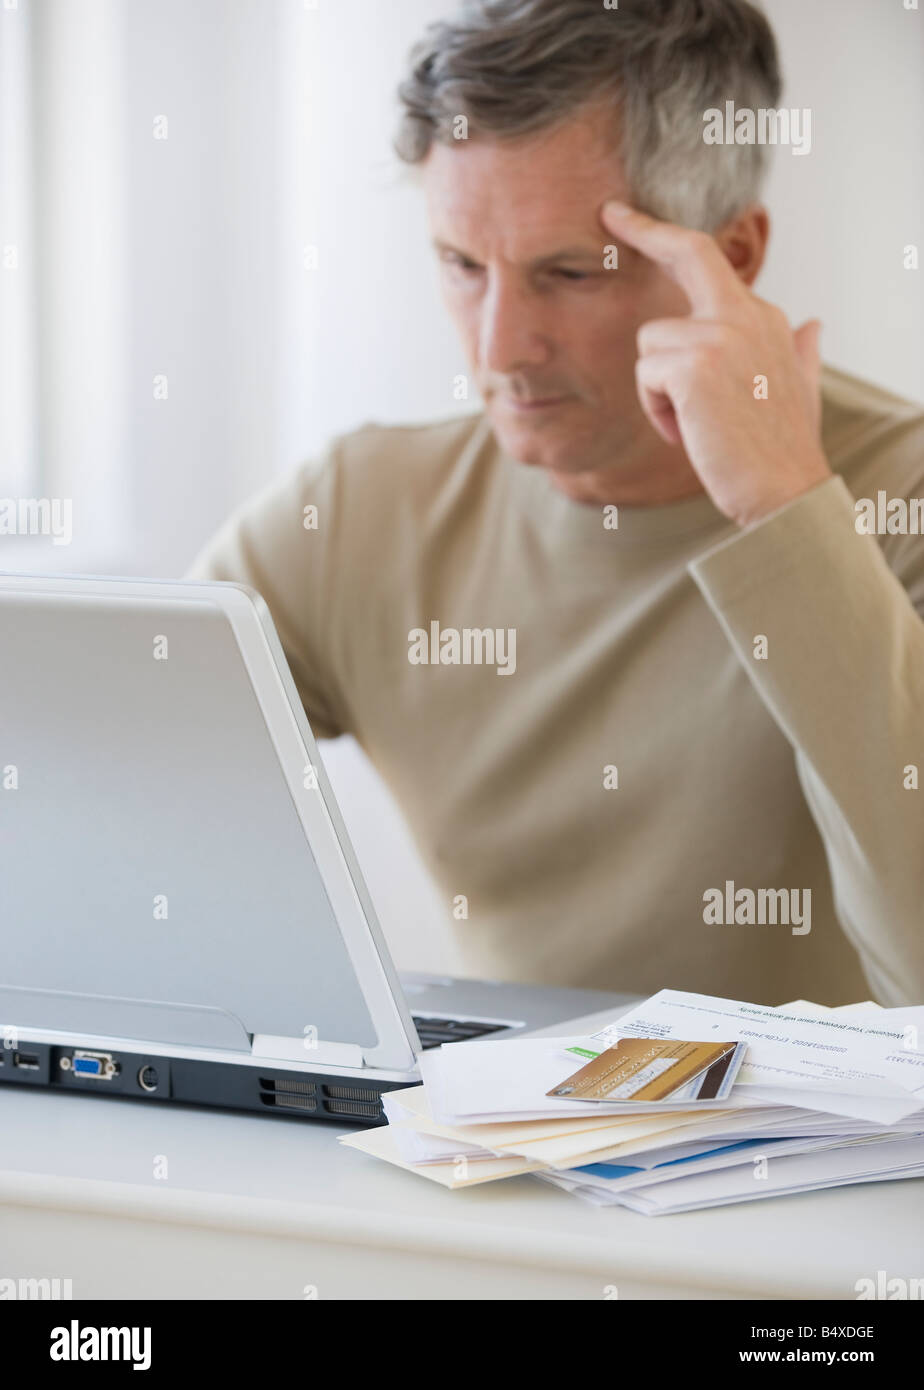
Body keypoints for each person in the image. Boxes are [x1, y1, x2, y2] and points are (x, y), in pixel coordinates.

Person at [188, 0, 924, 1007]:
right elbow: (101, 767)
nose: (497, 349)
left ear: (734, 259)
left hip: (857, 1166)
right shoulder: (358, 514)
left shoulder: (903, 498)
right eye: (461, 266)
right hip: (493, 1153)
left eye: (570, 273)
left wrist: (789, 511)